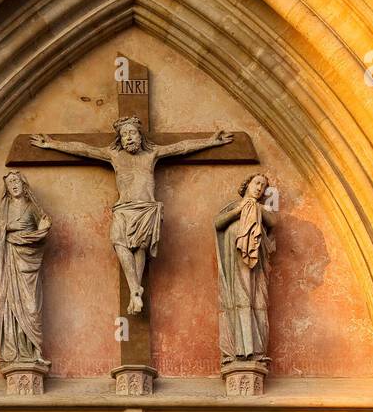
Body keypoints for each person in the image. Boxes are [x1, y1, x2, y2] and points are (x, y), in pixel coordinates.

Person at [31, 117, 233, 314]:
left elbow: (182, 147)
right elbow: (84, 149)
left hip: (146, 207)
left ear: (140, 135)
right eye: (124, 134)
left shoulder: (152, 154)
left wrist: (210, 141)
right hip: (123, 208)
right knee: (118, 241)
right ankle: (135, 288)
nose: (128, 137)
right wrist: (52, 144)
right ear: (119, 139)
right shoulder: (114, 155)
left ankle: (135, 291)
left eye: (132, 133)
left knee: (140, 249)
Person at [0, 170, 51, 367]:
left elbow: (43, 227)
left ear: (23, 184)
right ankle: (13, 352)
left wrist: (44, 228)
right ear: (6, 187)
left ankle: (33, 350)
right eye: (10, 182)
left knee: (31, 306)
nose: (13, 185)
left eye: (16, 181)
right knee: (8, 305)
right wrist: (6, 228)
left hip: (28, 261)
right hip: (7, 260)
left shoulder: (32, 206)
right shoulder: (3, 208)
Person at [215, 171, 276, 365]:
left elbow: (273, 222)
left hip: (256, 266)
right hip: (234, 264)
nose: (259, 188)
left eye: (263, 187)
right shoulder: (234, 207)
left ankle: (256, 351)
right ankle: (237, 350)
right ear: (247, 184)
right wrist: (240, 210)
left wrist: (257, 209)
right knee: (237, 301)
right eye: (257, 183)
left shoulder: (260, 210)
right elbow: (217, 223)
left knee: (257, 301)